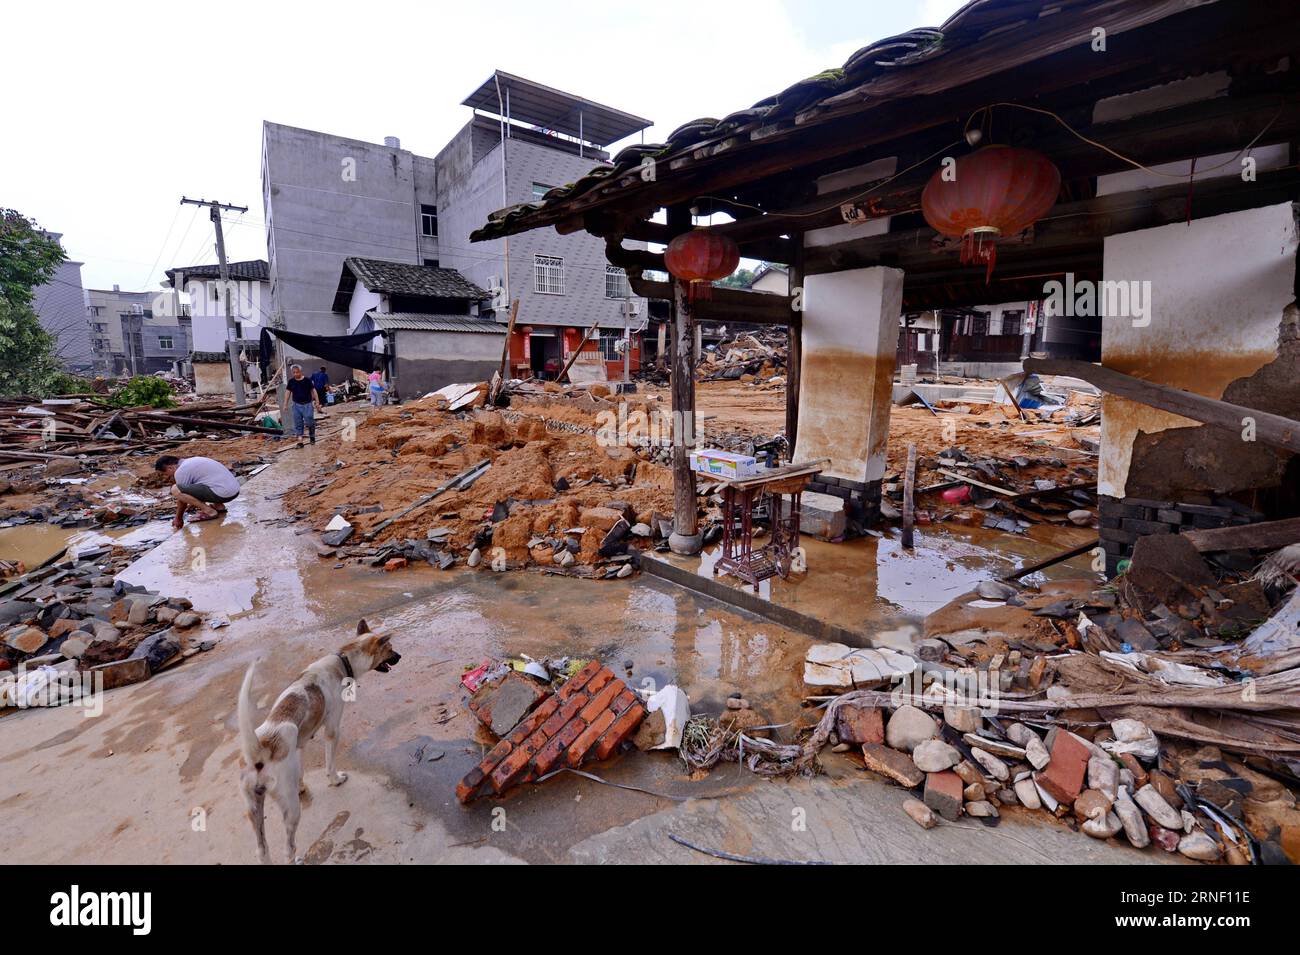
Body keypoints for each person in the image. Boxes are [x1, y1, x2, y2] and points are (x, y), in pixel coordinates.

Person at [155, 454, 240, 530]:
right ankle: (219, 507)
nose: (167, 476)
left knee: (175, 489)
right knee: (206, 481)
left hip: (222, 494)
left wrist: (178, 518)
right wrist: (193, 503)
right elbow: (200, 485)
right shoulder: (192, 461)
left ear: (170, 467)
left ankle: (210, 512)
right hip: (234, 491)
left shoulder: (181, 471)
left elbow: (181, 497)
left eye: (165, 473)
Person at [285, 364, 321, 446]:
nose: (295, 374)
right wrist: (285, 404)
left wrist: (317, 402)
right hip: (296, 405)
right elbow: (287, 392)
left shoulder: (307, 380)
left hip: (307, 404)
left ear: (300, 371)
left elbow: (313, 391)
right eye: (293, 372)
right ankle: (300, 440)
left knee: (309, 421)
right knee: (298, 423)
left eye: (297, 372)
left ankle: (312, 436)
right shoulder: (291, 381)